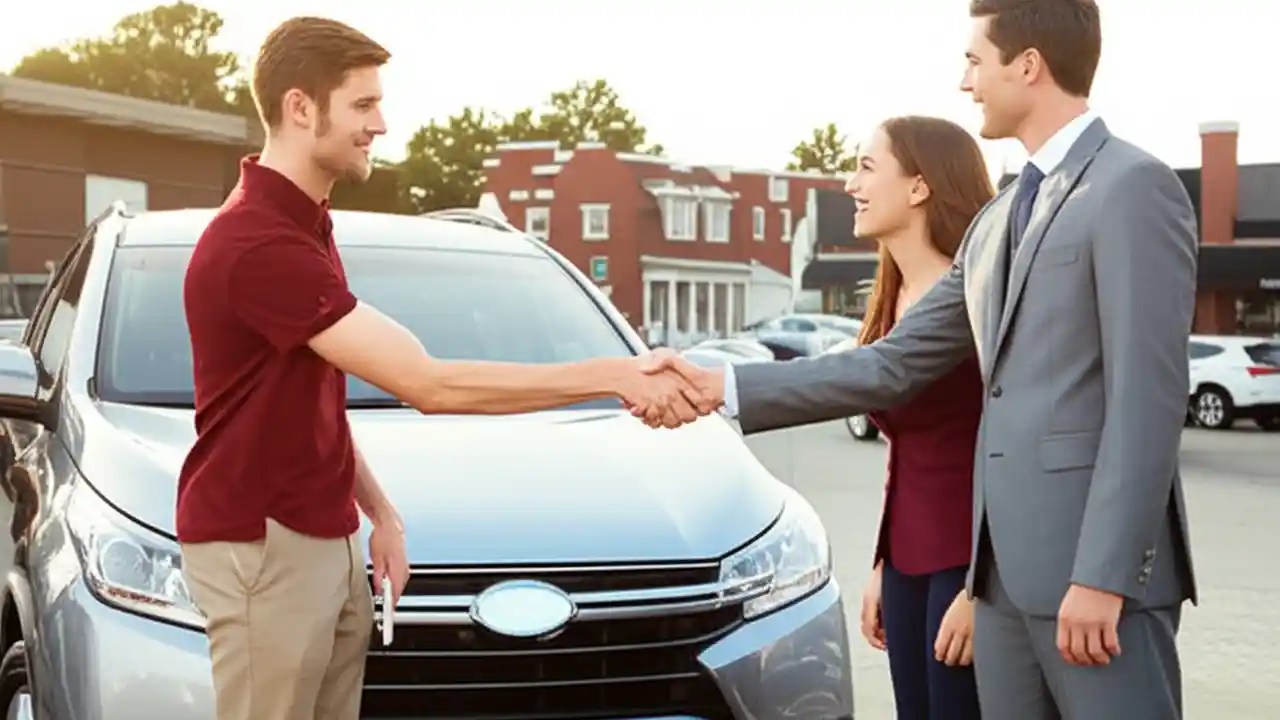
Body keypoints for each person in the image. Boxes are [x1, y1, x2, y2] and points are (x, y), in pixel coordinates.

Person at [638, 1, 1199, 718]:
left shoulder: (1131, 187)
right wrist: (719, 385)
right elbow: (891, 365)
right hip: (999, 590)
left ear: (1028, 66)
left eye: (975, 61)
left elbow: (1146, 400)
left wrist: (1106, 575)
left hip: (1091, 589)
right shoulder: (995, 220)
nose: (966, 83)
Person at [177, 16, 701, 720]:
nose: (381, 124)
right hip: (264, 549)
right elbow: (428, 382)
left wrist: (379, 511)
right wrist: (612, 374)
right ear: (301, 108)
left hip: (324, 535)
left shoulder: (306, 223)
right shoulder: (258, 245)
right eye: (363, 105)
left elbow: (308, 404)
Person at [848, 116, 991, 720]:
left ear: (918, 187)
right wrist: (883, 562)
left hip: (968, 565)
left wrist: (985, 589)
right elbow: (901, 447)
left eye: (866, 166)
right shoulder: (889, 299)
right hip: (906, 560)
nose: (851, 183)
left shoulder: (980, 299)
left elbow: (1006, 445)